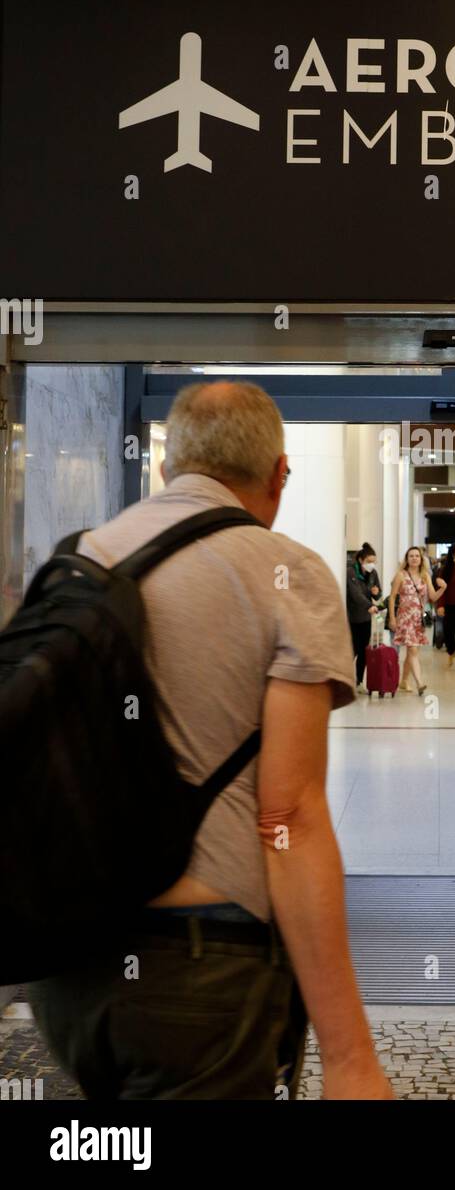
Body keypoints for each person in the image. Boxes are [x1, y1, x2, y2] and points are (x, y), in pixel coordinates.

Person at [27, 382, 391, 1100]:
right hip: (198, 965)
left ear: (168, 468)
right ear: (280, 474)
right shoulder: (286, 574)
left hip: (65, 969)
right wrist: (350, 1059)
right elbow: (287, 819)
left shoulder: (79, 562)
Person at [388, 546, 446, 694]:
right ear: (407, 559)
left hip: (417, 618)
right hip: (404, 617)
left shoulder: (425, 576)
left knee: (411, 652)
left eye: (417, 556)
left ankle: (404, 681)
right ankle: (420, 683)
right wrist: (392, 618)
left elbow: (432, 597)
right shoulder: (401, 575)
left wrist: (443, 588)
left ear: (421, 559)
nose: (414, 558)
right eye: (411, 556)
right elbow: (393, 596)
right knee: (413, 650)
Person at [346, 543, 380, 691]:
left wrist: (375, 592)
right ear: (361, 560)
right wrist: (369, 606)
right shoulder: (351, 572)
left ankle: (359, 681)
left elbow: (377, 593)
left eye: (374, 562)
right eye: (369, 561)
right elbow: (355, 594)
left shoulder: (373, 574)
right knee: (351, 649)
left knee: (363, 651)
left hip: (366, 617)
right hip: (352, 616)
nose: (372, 565)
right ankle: (345, 679)